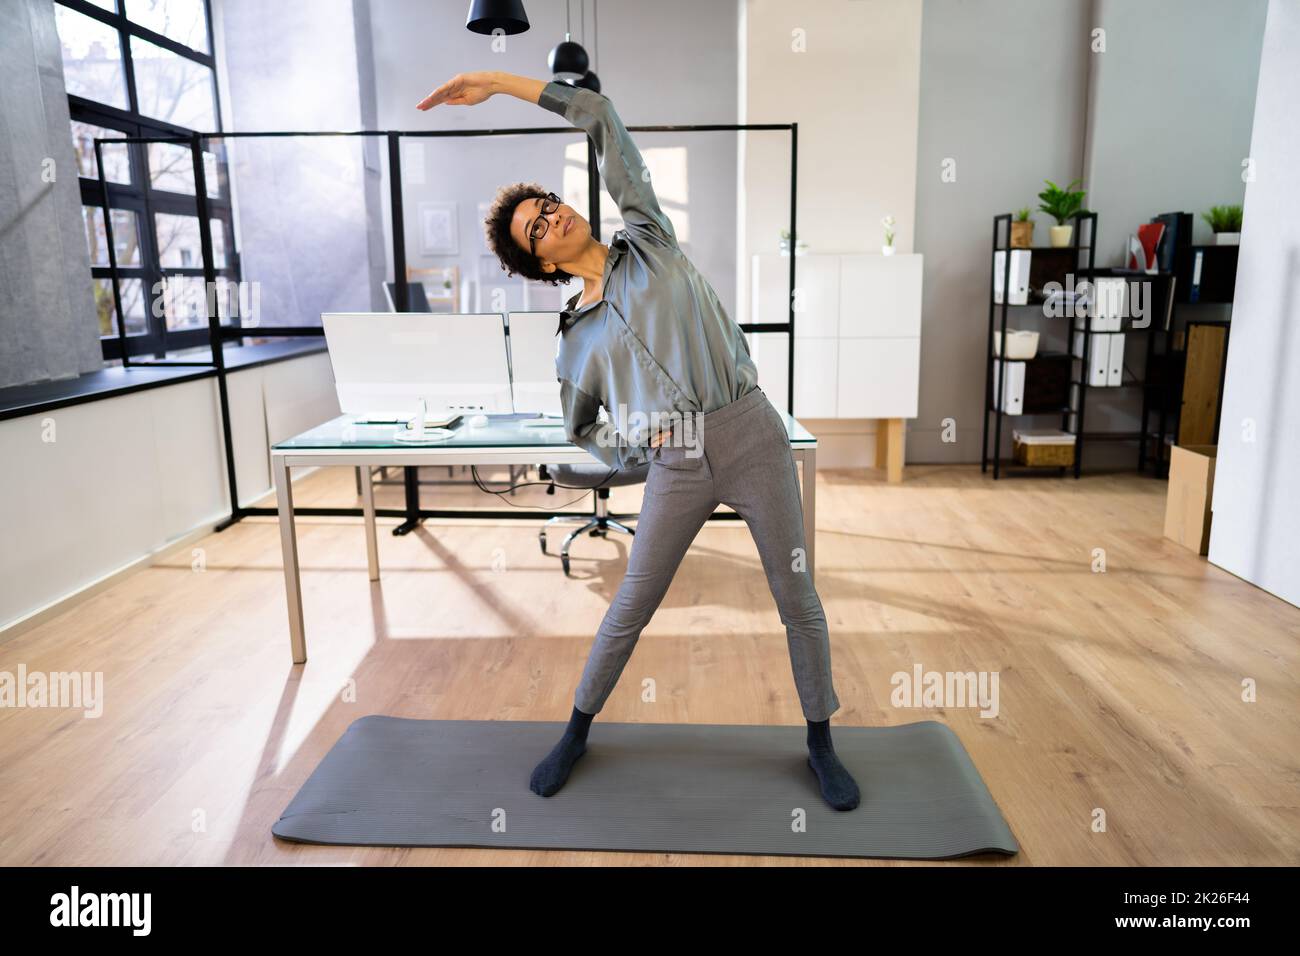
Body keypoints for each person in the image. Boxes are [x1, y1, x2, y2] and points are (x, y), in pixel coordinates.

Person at [417, 72, 859, 810]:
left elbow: (599, 116)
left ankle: (820, 740)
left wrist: (496, 83)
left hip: (751, 430)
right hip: (678, 459)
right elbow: (583, 427)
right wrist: (638, 445)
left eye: (549, 205)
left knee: (796, 596)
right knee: (630, 607)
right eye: (536, 227)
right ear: (541, 264)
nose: (551, 217)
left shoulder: (647, 237)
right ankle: (576, 732)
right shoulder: (573, 342)